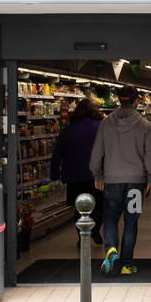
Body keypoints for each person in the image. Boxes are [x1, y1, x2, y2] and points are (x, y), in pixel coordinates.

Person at [90, 86, 151, 275]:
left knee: (110, 217)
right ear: (136, 101)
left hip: (111, 182)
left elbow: (97, 153)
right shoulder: (145, 125)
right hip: (136, 182)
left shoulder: (106, 124)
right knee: (131, 222)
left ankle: (111, 248)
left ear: (120, 100)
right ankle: (127, 264)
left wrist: (97, 175)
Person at [50, 97, 104, 244]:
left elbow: (58, 153)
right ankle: (95, 229)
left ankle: (82, 235)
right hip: (96, 174)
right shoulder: (100, 126)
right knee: (98, 204)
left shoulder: (68, 130)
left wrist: (54, 173)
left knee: (79, 206)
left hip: (74, 174)